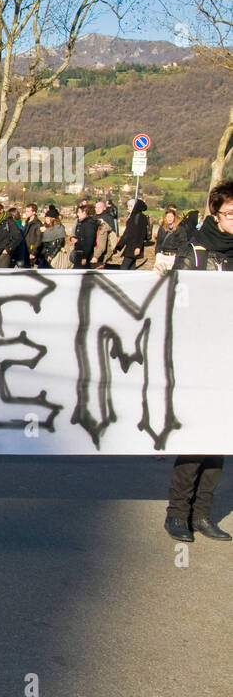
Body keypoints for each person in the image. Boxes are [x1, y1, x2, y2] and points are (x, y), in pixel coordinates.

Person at [165, 180, 233, 543]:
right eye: (230, 213)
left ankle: (203, 514)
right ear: (216, 214)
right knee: (195, 438)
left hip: (230, 354)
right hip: (200, 354)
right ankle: (178, 513)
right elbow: (180, 300)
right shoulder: (196, 251)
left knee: (220, 439)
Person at [116, 198, 150, 271]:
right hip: (130, 245)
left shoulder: (140, 217)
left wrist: (138, 247)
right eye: (128, 206)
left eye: (130, 206)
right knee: (131, 267)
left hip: (134, 246)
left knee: (124, 267)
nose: (128, 208)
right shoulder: (132, 217)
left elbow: (142, 233)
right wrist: (119, 246)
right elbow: (127, 233)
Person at [153, 205, 185, 271]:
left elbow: (182, 243)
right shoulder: (162, 228)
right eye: (168, 216)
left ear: (174, 217)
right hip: (161, 256)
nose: (169, 218)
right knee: (157, 276)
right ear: (165, 218)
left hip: (172, 257)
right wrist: (157, 253)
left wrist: (178, 256)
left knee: (170, 278)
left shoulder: (179, 229)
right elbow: (159, 242)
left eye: (171, 216)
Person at [20, 203, 42, 268]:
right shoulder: (27, 222)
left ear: (34, 212)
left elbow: (39, 239)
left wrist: (33, 252)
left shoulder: (38, 224)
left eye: (28, 211)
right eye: (26, 211)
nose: (26, 213)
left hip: (31, 251)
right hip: (25, 249)